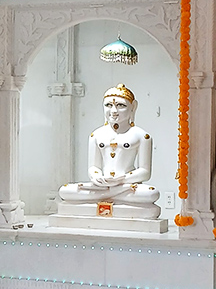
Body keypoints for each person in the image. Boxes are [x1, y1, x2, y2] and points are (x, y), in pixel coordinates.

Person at [58, 84, 160, 214]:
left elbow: (145, 172)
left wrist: (121, 179)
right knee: (65, 191)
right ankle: (110, 194)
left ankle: (106, 195)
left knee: (151, 193)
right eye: (108, 105)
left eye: (121, 105)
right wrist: (97, 177)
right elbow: (93, 167)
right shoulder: (96, 134)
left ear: (133, 107)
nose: (113, 111)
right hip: (101, 185)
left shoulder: (141, 135)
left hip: (127, 186)